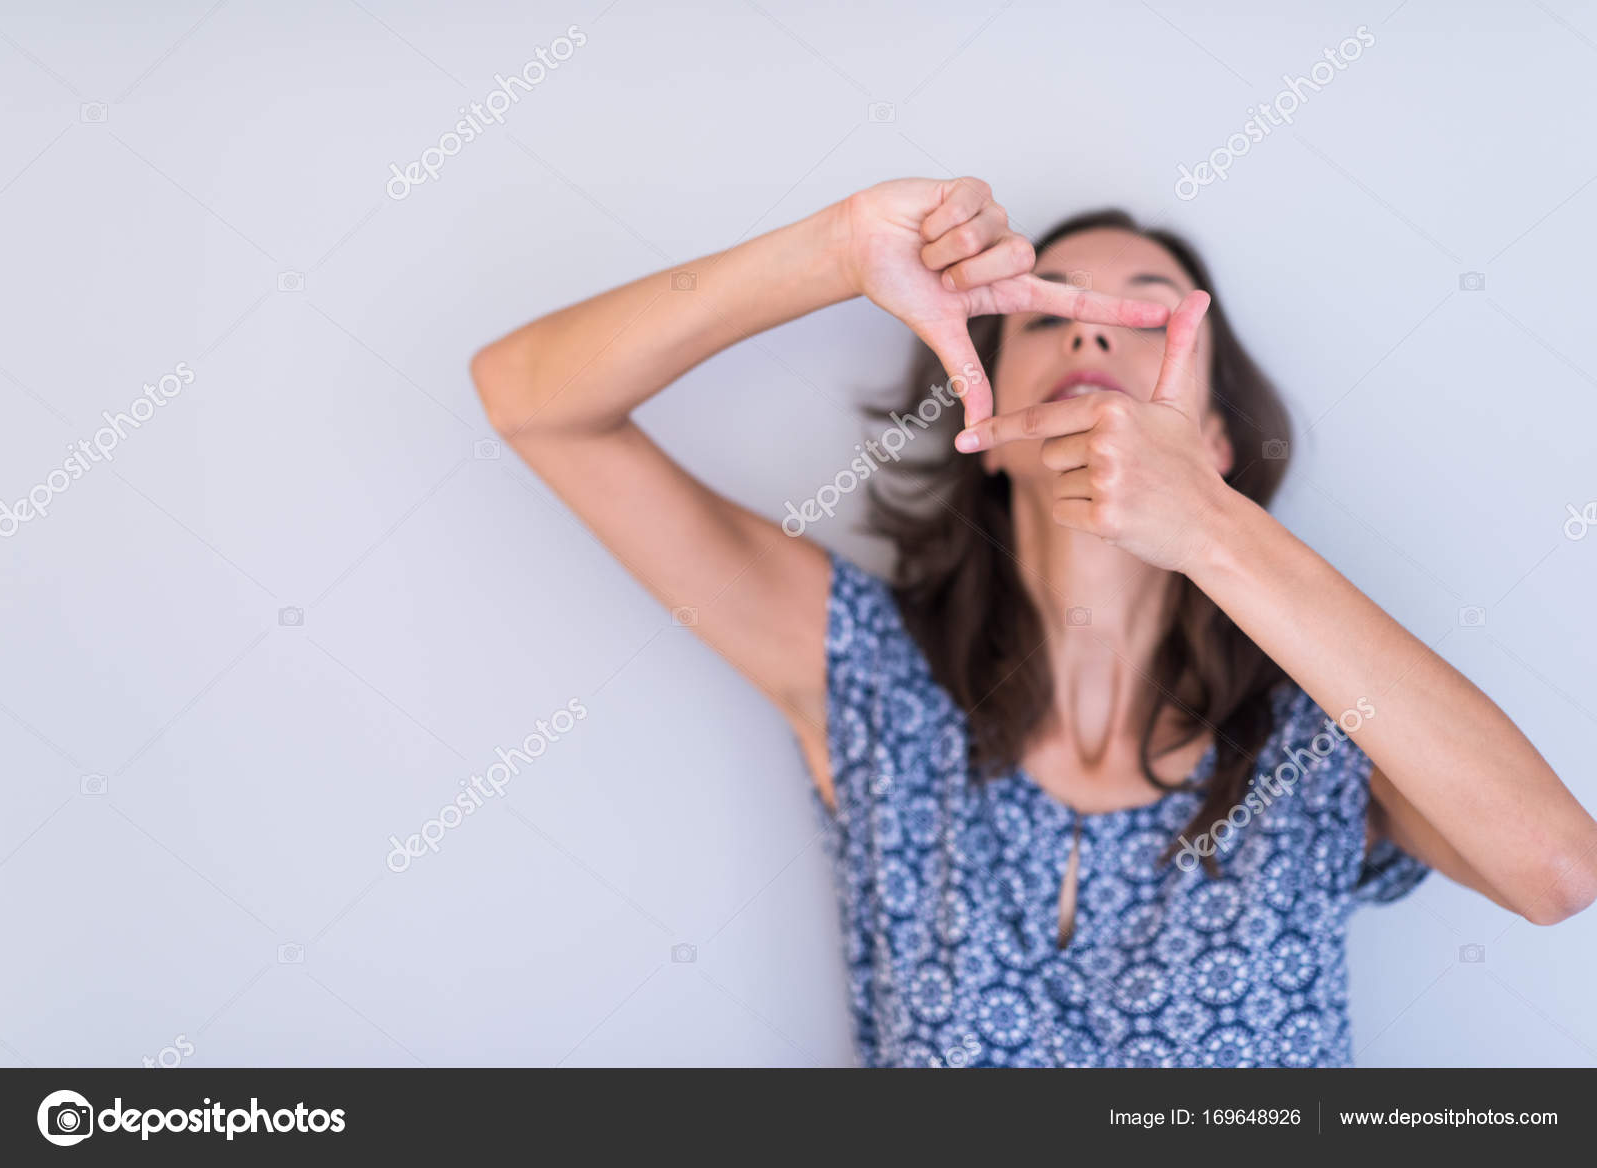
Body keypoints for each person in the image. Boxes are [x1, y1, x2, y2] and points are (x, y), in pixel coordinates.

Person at [469, 177, 1597, 1066]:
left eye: (1145, 318)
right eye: (1042, 310)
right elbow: (531, 400)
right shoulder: (874, 675)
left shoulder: (1323, 728)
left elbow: (1554, 869)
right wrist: (833, 249)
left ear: (1213, 439)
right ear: (986, 420)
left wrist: (1211, 528)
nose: (1089, 339)